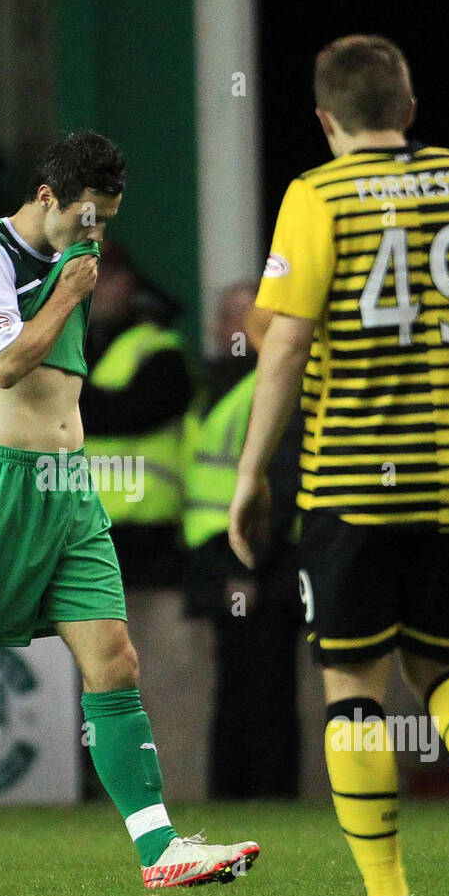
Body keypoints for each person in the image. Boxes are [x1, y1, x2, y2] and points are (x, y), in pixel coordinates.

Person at [0, 131, 260, 894]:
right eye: (86, 218)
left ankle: (159, 848)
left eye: (107, 221)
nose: (96, 235)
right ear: (45, 199)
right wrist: (67, 286)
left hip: (69, 488)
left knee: (115, 658)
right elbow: (2, 364)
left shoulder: (77, 258)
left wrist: (74, 272)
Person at [230, 35, 449, 896]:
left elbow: (283, 342)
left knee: (352, 682)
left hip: (351, 481)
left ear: (326, 121)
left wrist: (253, 470)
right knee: (448, 663)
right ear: (409, 108)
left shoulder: (316, 194)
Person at [183, 283, 305, 798]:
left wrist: (249, 569)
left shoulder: (270, 384)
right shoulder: (220, 384)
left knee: (265, 688)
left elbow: (280, 479)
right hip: (221, 561)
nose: (223, 329)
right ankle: (233, 796)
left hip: (259, 567)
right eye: (223, 317)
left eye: (238, 317)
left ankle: (270, 797)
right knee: (237, 686)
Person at [81, 242, 195, 587]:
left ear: (131, 285)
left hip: (147, 532)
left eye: (109, 278)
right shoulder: (69, 347)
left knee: (149, 638)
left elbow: (132, 413)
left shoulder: (160, 350)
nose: (98, 289)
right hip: (80, 530)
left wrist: (66, 402)